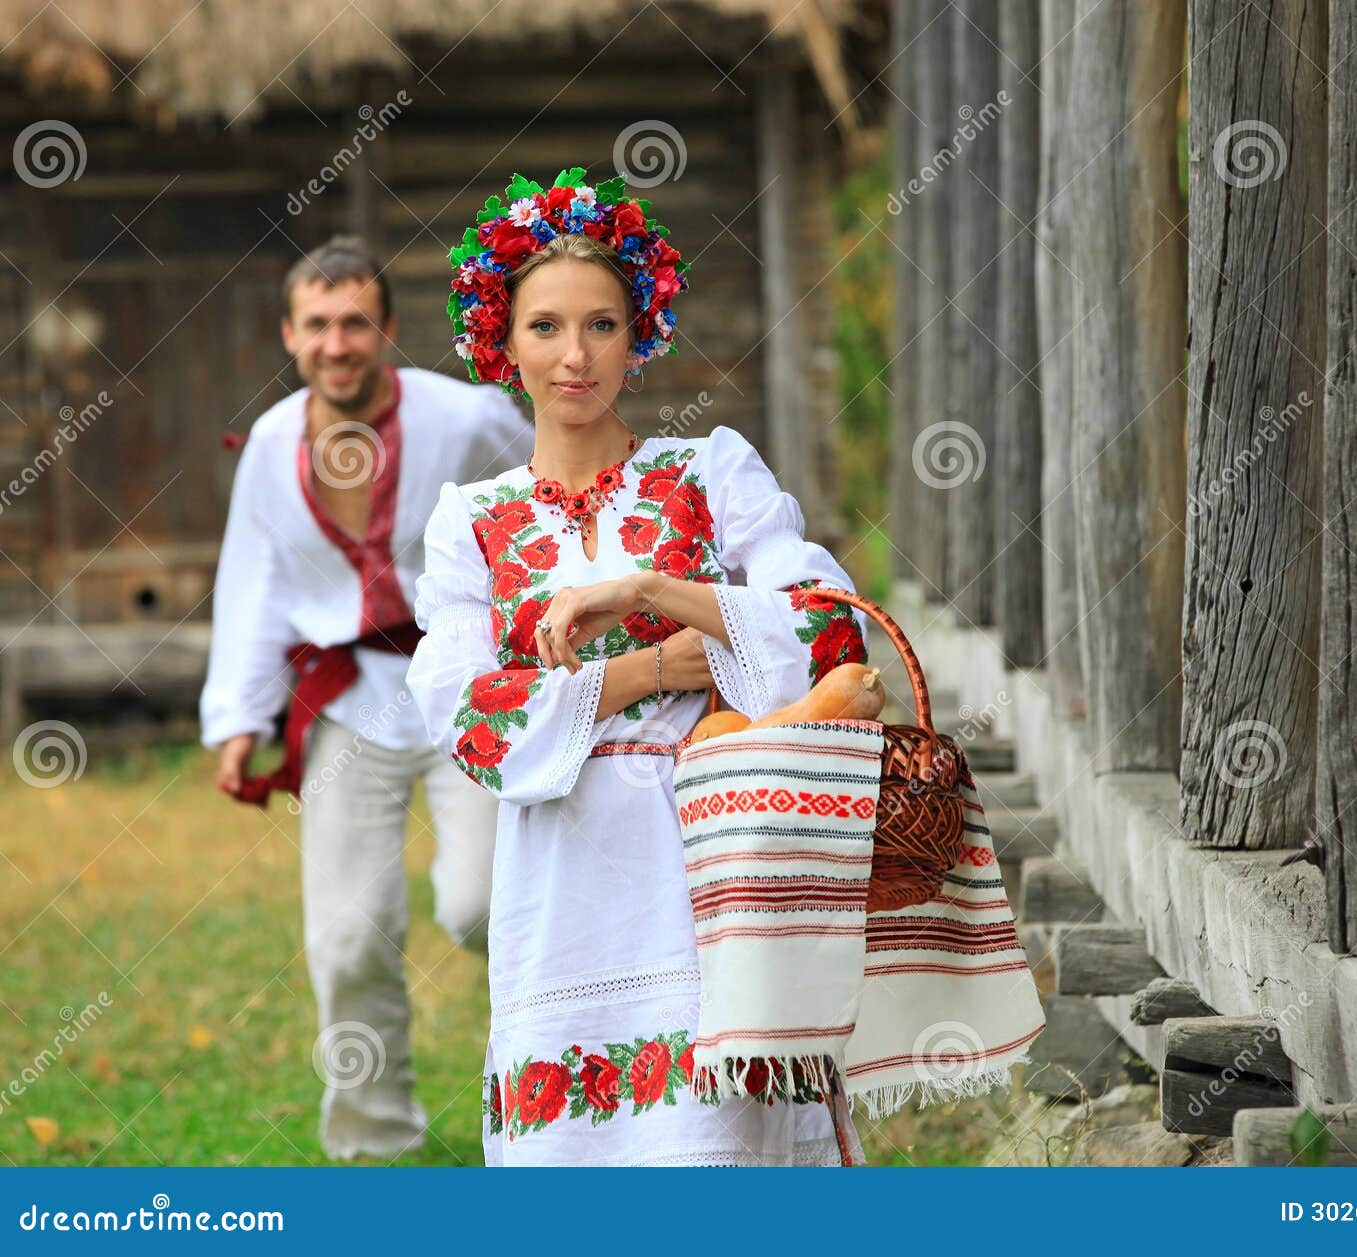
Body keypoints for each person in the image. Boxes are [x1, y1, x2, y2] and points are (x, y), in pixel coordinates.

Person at [406, 168, 873, 1166]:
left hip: (715, 847)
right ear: (501, 340)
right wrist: (660, 668)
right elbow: (471, 715)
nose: (573, 356)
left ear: (640, 333)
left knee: (717, 1145)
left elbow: (829, 635)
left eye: (601, 326)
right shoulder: (471, 521)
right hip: (563, 867)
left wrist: (647, 593)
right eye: (544, 328)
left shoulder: (709, 472)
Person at [199, 236, 531, 1160]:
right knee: (346, 935)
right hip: (350, 700)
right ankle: (376, 1138)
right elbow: (255, 577)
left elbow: (542, 492)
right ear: (290, 335)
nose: (336, 342)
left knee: (482, 905)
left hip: (468, 684)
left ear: (386, 329)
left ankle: (553, 1098)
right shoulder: (270, 442)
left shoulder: (466, 419)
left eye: (354, 321)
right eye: (317, 324)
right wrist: (239, 716)